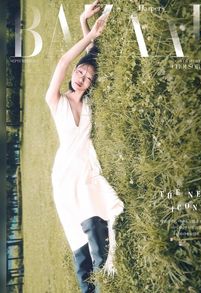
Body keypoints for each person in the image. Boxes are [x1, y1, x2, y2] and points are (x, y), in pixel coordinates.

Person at [45, 1, 124, 292]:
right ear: (73, 72)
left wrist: (84, 21)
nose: (83, 79)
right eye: (80, 74)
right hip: (65, 173)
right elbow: (64, 61)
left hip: (84, 168)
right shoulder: (56, 101)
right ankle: (87, 286)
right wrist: (86, 33)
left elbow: (94, 51)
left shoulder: (87, 103)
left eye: (89, 78)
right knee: (75, 232)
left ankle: (99, 280)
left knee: (94, 218)